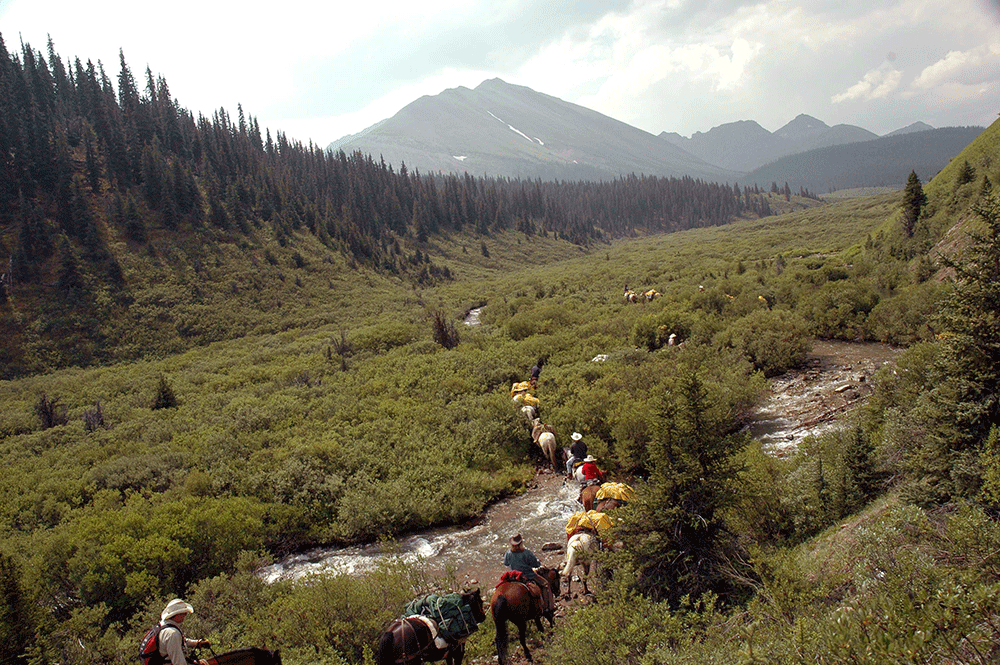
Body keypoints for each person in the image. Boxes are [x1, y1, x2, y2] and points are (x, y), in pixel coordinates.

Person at [502, 534, 554, 614]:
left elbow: (506, 563)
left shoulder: (508, 553)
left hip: (514, 577)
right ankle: (547, 608)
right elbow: (535, 564)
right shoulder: (526, 553)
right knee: (545, 585)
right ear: (521, 543)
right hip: (528, 575)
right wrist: (538, 563)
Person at [159, 599, 210, 665]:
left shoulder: (163, 626)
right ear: (177, 614)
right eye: (184, 613)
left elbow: (181, 641)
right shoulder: (172, 633)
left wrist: (196, 643)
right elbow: (179, 662)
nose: (185, 615)